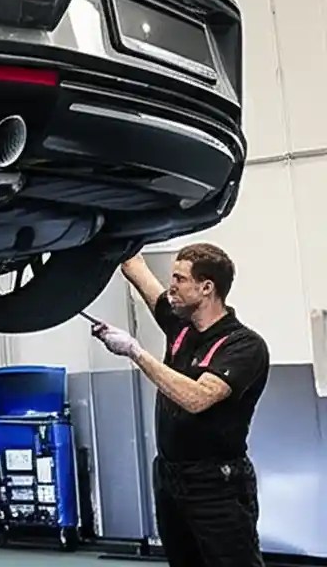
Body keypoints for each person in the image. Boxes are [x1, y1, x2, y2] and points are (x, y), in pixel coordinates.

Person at [93, 243, 269, 567]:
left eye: (179, 279)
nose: (170, 286)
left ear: (206, 287)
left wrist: (135, 351)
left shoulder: (243, 346)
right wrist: (118, 237)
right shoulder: (180, 324)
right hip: (170, 476)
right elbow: (134, 268)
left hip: (216, 483)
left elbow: (197, 398)